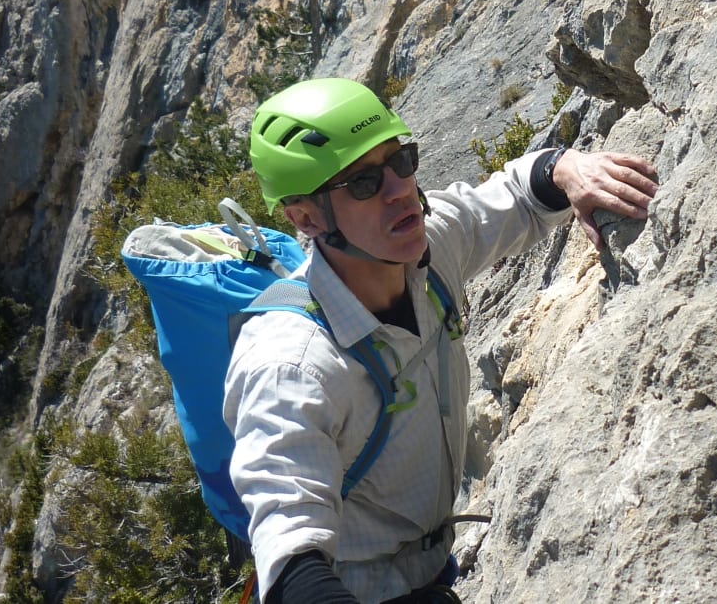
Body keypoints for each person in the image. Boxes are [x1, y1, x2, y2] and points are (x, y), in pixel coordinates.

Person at [224, 77, 658, 604]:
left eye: (401, 161)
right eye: (363, 183)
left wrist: (569, 169)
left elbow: (520, 193)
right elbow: (291, 555)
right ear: (307, 218)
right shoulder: (289, 364)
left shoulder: (426, 253)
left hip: (432, 572)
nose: (399, 189)